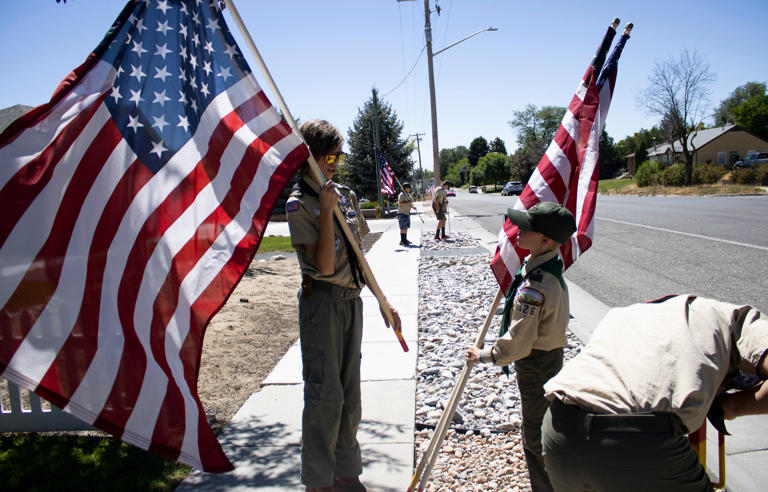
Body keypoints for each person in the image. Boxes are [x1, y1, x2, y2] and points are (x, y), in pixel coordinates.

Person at [542, 295, 768, 492]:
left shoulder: (632, 314)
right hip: (637, 440)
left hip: (559, 428)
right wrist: (732, 405)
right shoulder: (740, 318)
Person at [286, 119, 401, 492]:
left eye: (339, 154)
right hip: (322, 303)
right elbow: (324, 266)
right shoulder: (300, 204)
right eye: (328, 155)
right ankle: (318, 481)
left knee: (350, 395)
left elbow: (359, 258)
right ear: (308, 159)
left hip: (353, 302)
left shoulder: (347, 196)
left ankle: (345, 472)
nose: (335, 162)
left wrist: (384, 302)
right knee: (325, 396)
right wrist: (322, 207)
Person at [465, 202, 576, 492]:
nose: (517, 231)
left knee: (536, 439)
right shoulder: (546, 270)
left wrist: (485, 355)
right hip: (549, 359)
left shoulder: (535, 287)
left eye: (527, 228)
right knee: (545, 429)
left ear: (546, 240)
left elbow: (519, 342)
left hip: (537, 366)